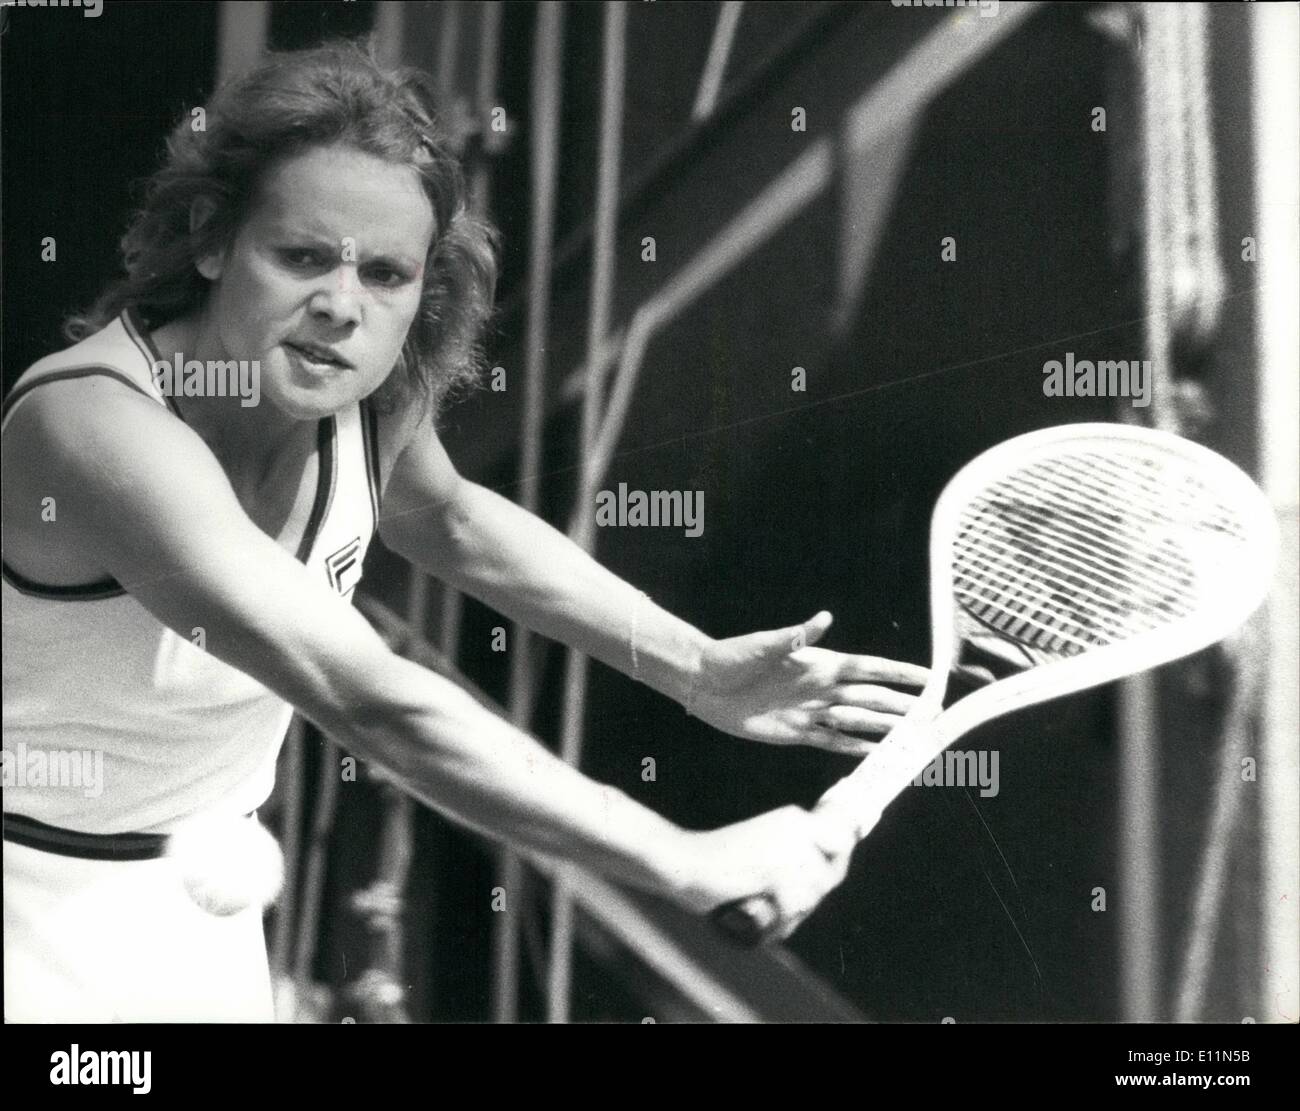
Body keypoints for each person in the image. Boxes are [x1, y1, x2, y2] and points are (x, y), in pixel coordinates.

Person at [0, 39, 926, 1022]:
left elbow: (448, 517)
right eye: (302, 255)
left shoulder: (361, 397)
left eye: (387, 275)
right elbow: (373, 703)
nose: (340, 306)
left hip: (195, 896)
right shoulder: (90, 428)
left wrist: (694, 667)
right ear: (213, 239)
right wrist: (681, 857)